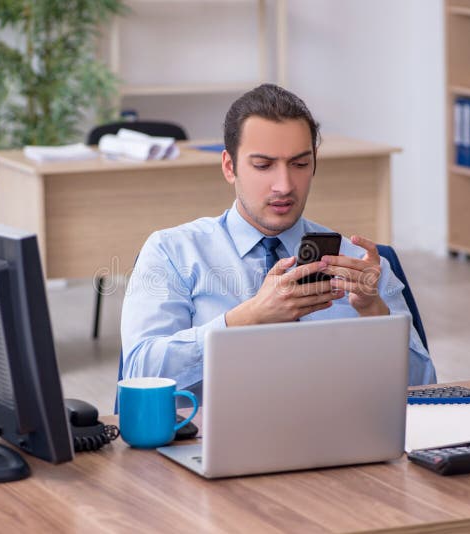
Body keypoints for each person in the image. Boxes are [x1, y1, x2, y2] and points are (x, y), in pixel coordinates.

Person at [120, 84, 436, 402]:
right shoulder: (172, 252)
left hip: (339, 440)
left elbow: (425, 386)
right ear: (229, 167)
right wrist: (247, 318)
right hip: (211, 444)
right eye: (263, 166)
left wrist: (374, 314)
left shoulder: (356, 261)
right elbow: (139, 372)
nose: (284, 186)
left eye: (299, 165)